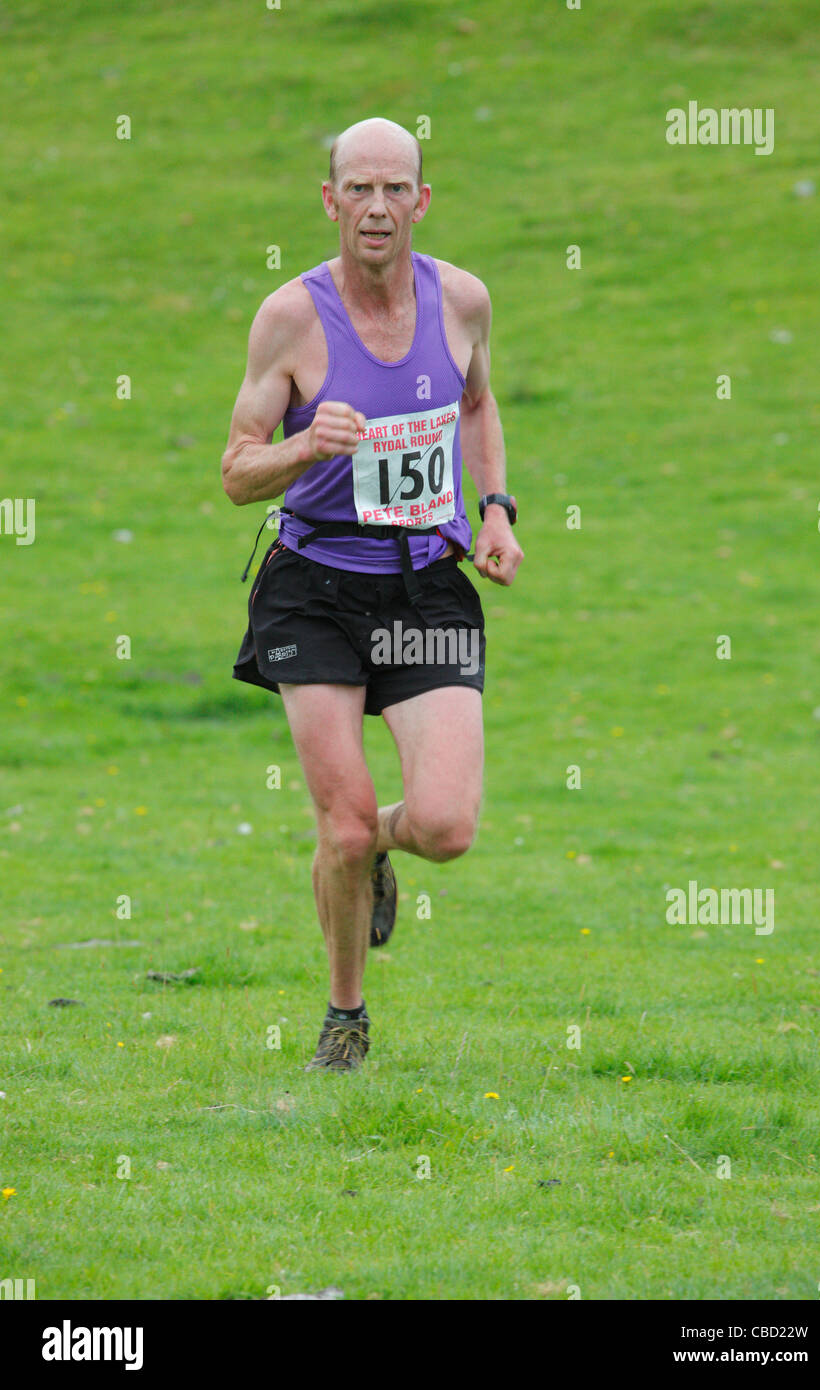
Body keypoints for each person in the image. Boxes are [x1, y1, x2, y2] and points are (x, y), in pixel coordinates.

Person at [222, 117, 523, 1071]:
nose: (378, 206)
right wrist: (308, 443)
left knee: (447, 826)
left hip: (426, 586)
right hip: (313, 587)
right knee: (339, 821)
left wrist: (498, 511)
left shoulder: (463, 300)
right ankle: (345, 1019)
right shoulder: (292, 318)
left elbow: (477, 402)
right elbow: (235, 470)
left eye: (397, 188)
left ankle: (378, 847)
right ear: (331, 202)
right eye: (360, 189)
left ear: (422, 201)